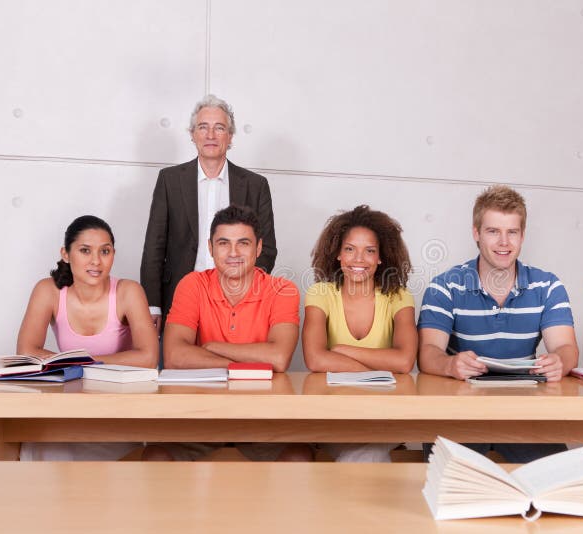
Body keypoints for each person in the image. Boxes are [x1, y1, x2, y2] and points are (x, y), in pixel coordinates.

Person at [417, 185, 578, 462]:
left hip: (524, 413)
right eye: (493, 231)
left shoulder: (547, 286)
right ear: (476, 233)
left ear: (522, 236)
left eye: (512, 232)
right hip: (458, 412)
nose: (504, 242)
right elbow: (428, 353)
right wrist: (449, 365)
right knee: (452, 483)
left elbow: (566, 347)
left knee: (559, 478)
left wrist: (559, 362)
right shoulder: (444, 286)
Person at [145, 204, 307, 461]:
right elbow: (175, 356)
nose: (233, 253)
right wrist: (248, 366)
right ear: (210, 248)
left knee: (298, 456)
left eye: (243, 243)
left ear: (259, 248)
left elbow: (278, 358)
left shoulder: (282, 290)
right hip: (200, 413)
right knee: (156, 455)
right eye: (223, 243)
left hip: (262, 414)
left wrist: (212, 347)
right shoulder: (192, 285)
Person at [17, 215, 159, 460]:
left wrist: (81, 362)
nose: (96, 261)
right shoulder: (48, 290)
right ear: (65, 254)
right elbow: (26, 351)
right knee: (39, 449)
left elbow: (148, 357)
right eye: (85, 250)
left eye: (105, 251)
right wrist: (91, 363)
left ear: (113, 254)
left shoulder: (128, 291)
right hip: (66, 407)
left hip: (116, 409)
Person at [140, 94, 277, 334]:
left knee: (229, 359)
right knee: (177, 357)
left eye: (219, 128)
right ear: (192, 134)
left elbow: (266, 249)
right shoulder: (170, 180)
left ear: (230, 136)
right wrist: (153, 304)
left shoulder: (255, 185)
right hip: (180, 297)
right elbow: (154, 246)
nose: (210, 135)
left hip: (236, 300)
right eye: (203, 127)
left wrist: (243, 289)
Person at [302, 205, 417, 462]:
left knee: (367, 454)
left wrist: (341, 351)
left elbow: (404, 361)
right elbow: (315, 359)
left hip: (383, 414)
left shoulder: (399, 297)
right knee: (365, 456)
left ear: (380, 257)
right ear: (338, 254)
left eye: (370, 251)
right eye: (350, 249)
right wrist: (377, 376)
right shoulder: (320, 294)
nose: (358, 259)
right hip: (333, 413)